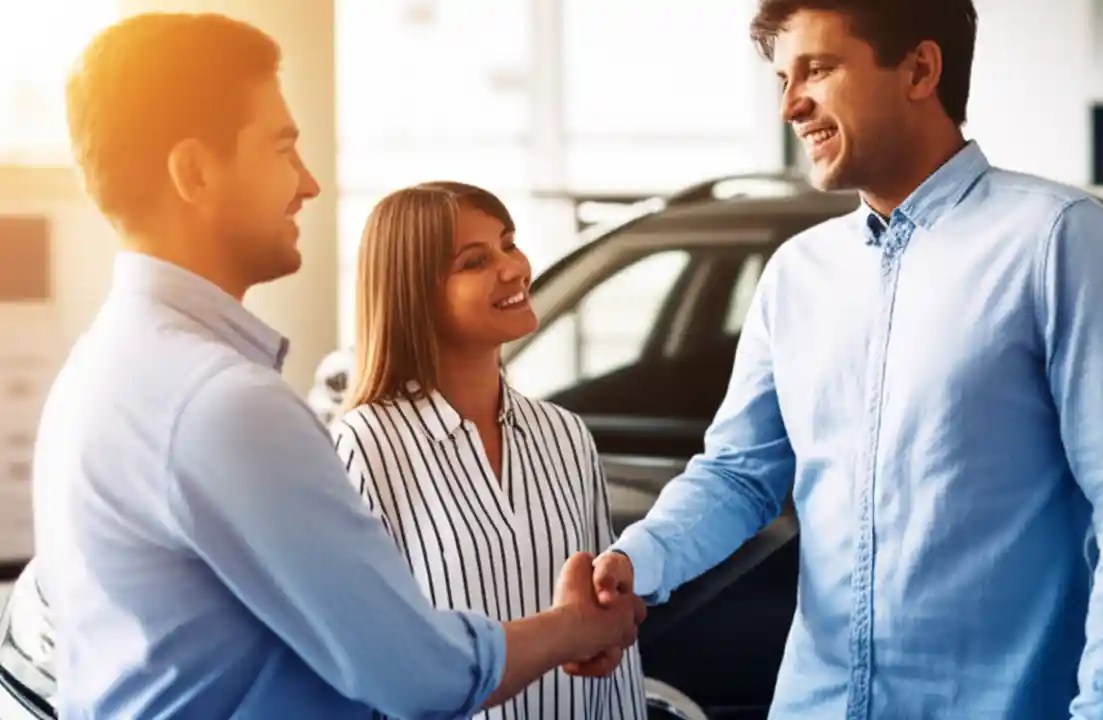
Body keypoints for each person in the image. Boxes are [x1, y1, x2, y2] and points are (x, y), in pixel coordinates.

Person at [27, 12, 642, 719]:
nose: (310, 183)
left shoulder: (99, 370)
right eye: (283, 149)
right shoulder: (221, 402)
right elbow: (417, 676)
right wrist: (573, 627)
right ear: (194, 171)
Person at [592, 1, 1103, 718]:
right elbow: (739, 475)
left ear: (919, 69)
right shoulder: (796, 275)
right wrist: (635, 565)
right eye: (782, 77)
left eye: (817, 69)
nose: (791, 105)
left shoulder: (1060, 243)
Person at [330, 181, 647, 719]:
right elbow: (361, 667)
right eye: (475, 261)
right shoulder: (365, 447)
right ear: (414, 291)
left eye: (509, 243)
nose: (514, 268)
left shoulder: (565, 436)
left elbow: (612, 645)